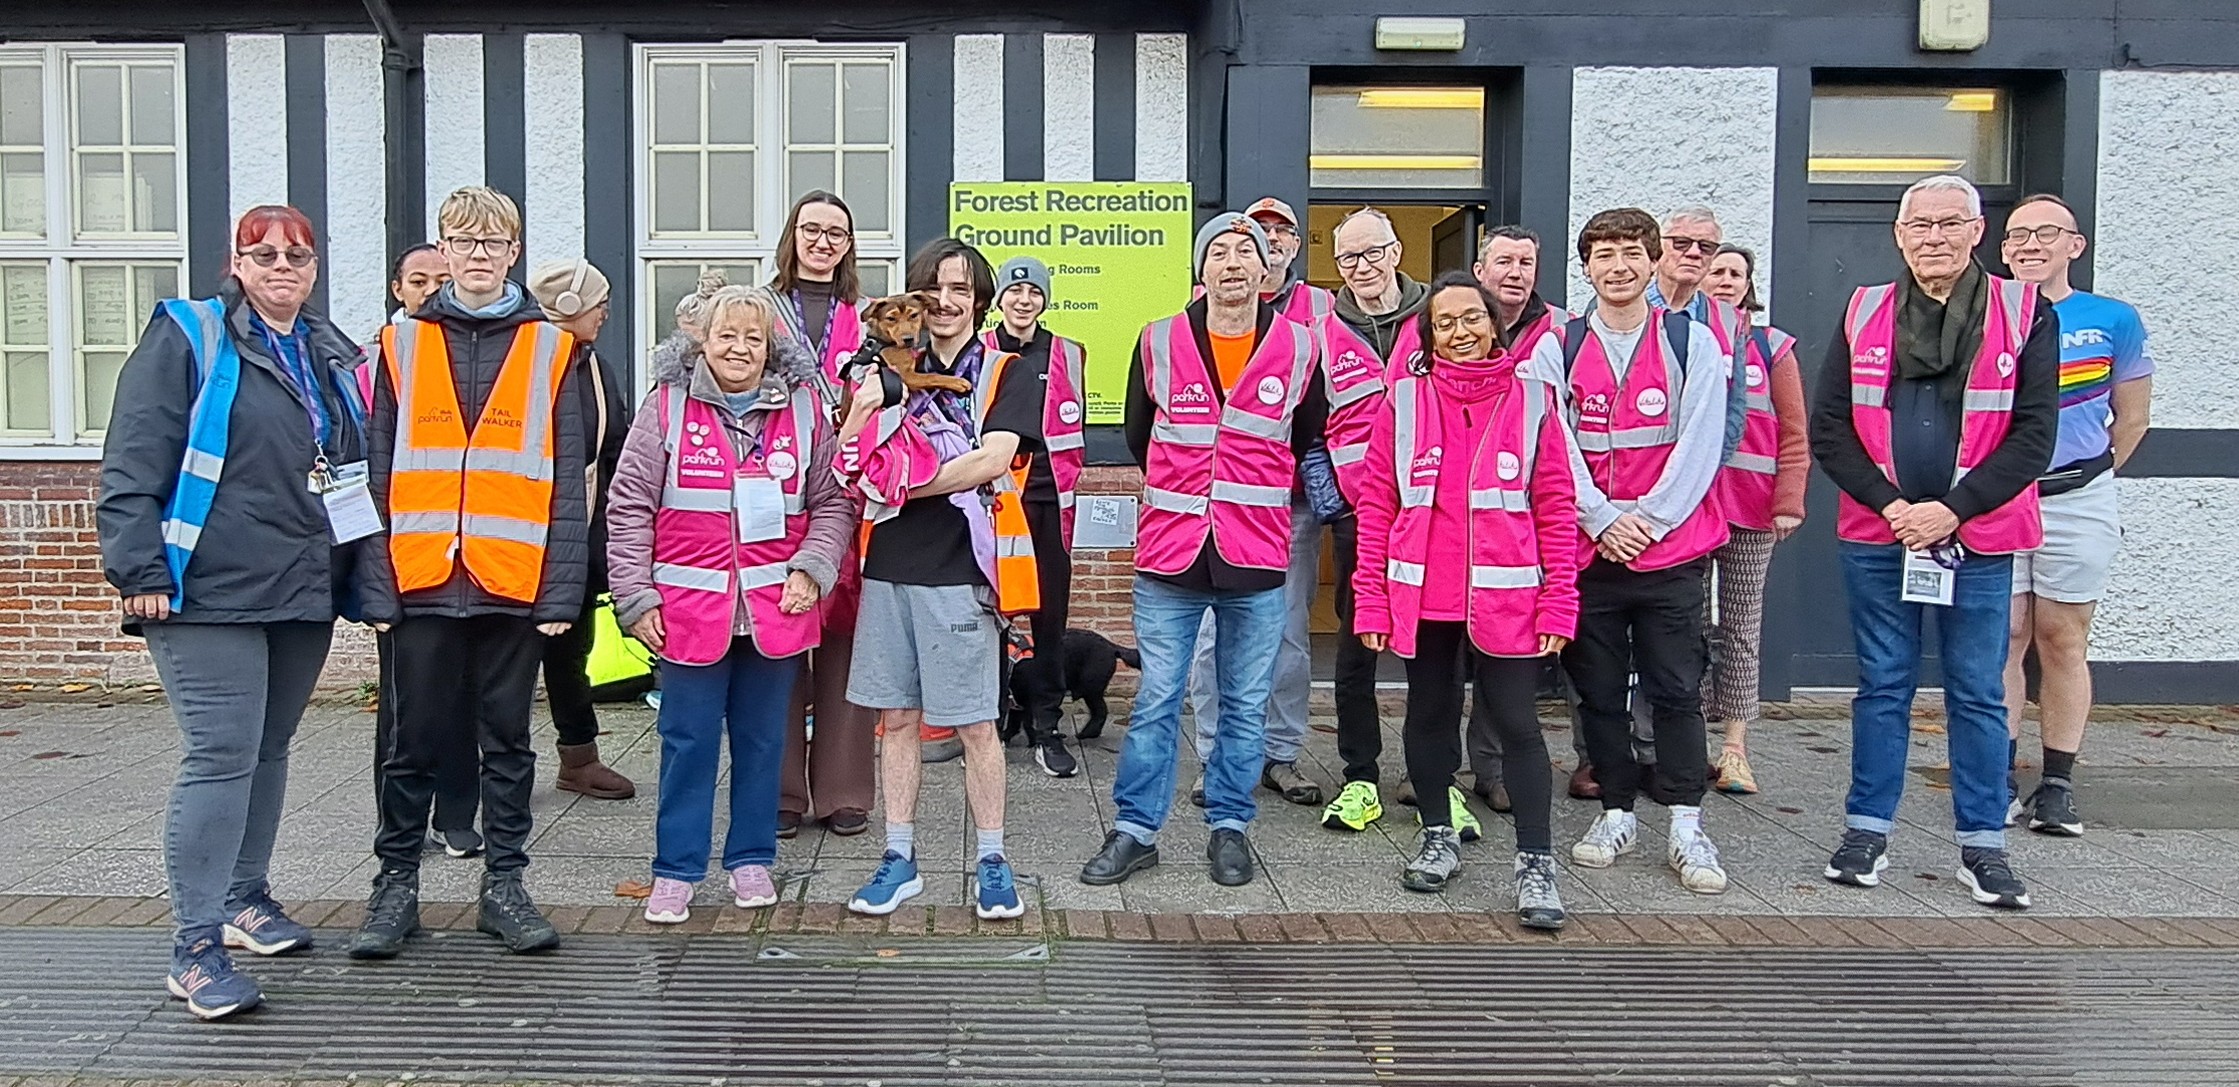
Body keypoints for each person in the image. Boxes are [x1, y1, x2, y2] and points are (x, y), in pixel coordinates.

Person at [97, 205, 368, 1019]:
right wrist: (138, 566)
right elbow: (133, 455)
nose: (282, 266)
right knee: (220, 753)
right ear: (237, 263)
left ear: (314, 268)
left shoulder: (325, 349)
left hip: (300, 584)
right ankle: (194, 946)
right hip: (206, 588)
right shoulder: (189, 335)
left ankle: (245, 898)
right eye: (265, 253)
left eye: (297, 255)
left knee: (269, 748)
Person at [350, 186, 591, 959]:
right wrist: (373, 579)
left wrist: (561, 589)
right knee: (410, 742)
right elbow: (374, 472)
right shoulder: (399, 344)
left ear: (513, 252)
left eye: (493, 242)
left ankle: (505, 886)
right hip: (419, 577)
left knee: (509, 742)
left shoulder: (552, 348)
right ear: (443, 250)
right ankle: (394, 887)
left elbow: (568, 481)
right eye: (464, 241)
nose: (479, 254)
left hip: (511, 579)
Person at [1809, 174, 2057, 910]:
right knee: (1882, 685)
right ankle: (1865, 832)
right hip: (1880, 533)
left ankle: (1983, 846)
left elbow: (2034, 436)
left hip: (1976, 537)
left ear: (1977, 232)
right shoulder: (1864, 310)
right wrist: (1894, 506)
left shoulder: (2025, 312)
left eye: (1950, 223)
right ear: (1899, 234)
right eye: (1920, 225)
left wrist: (1951, 510)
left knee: (1977, 691)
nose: (1934, 238)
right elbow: (1830, 428)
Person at [1079, 212, 1318, 889]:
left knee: (1244, 702)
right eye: (1219, 251)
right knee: (1156, 699)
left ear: (1266, 269)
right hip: (1171, 555)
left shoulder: (1300, 346)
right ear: (1200, 268)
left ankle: (1229, 826)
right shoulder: (1158, 339)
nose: (1233, 262)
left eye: (1247, 251)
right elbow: (1138, 432)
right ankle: (1135, 830)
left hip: (1256, 555)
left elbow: (1305, 434)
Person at [606, 285, 852, 924]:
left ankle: (751, 859)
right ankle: (675, 871)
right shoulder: (665, 405)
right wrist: (635, 597)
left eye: (753, 337)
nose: (739, 348)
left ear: (771, 346)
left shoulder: (805, 407)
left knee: (764, 742)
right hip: (687, 613)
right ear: (701, 342)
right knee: (686, 743)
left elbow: (831, 503)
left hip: (777, 609)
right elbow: (629, 506)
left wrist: (813, 569)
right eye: (726, 335)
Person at [1351, 272, 1576, 927]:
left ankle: (1535, 864)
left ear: (1494, 324)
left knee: (1519, 727)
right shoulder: (1403, 401)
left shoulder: (1533, 400)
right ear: (1427, 337)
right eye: (1444, 322)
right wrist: (1370, 600)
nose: (1460, 332)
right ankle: (1437, 836)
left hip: (1508, 600)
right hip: (1423, 595)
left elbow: (1556, 506)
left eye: (1471, 318)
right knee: (1427, 718)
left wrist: (1559, 601)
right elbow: (1376, 504)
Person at [833, 237, 1042, 921]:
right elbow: (847, 448)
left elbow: (992, 461)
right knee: (895, 718)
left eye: (961, 290)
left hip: (962, 567)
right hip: (889, 560)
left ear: (979, 303)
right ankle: (899, 856)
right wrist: (862, 425)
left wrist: (897, 486)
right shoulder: (885, 365)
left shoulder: (1007, 370)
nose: (946, 303)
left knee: (976, 724)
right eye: (934, 291)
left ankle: (992, 860)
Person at [1531, 208, 1733, 896]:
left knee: (1676, 690)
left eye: (1630, 253)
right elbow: (1552, 441)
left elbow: (1701, 441)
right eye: (1604, 254)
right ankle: (1615, 811)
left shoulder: (1691, 342)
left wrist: (1647, 520)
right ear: (1585, 267)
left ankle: (1685, 821)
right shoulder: (1556, 347)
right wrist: (1599, 518)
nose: (1617, 266)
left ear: (1652, 262)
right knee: (1597, 692)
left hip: (1668, 550)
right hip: (1589, 551)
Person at [1185, 195, 1381, 813]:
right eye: (1255, 232)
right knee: (1213, 634)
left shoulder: (1322, 310)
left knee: (1287, 632)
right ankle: (1215, 754)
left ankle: (1279, 753)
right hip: (1213, 506)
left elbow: (1329, 403)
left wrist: (1297, 468)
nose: (1268, 241)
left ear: (1294, 245)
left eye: (1280, 232)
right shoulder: (1201, 309)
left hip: (1286, 507)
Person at [1998, 194, 2152, 838]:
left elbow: (2133, 418)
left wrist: (2088, 473)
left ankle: (2057, 783)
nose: (2030, 245)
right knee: (2003, 636)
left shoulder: (2112, 318)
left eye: (2045, 233)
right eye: (2017, 235)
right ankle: (1997, 777)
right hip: (1998, 497)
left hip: (2077, 497)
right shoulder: (1986, 311)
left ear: (2074, 245)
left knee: (2062, 637)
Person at [1315, 206, 1432, 836]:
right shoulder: (1322, 331)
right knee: (1358, 642)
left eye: (1372, 252)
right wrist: (1332, 494)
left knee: (1431, 645)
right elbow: (1309, 424)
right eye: (1348, 258)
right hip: (1359, 513)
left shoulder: (1437, 318)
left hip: (1432, 513)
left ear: (1395, 252)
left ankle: (1428, 769)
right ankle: (1359, 772)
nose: (1361, 267)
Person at [768, 191, 881, 833]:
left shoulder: (866, 317)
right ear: (793, 235)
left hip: (852, 487)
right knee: (778, 638)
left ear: (849, 245)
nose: (822, 242)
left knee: (846, 636)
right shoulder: (760, 309)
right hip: (775, 490)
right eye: (811, 229)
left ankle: (843, 791)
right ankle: (780, 791)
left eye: (836, 233)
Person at [1470, 224, 1591, 809]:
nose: (1515, 272)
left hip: (1543, 505)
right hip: (1473, 518)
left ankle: (1582, 761)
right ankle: (1483, 769)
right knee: (1472, 648)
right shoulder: (1455, 324)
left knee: (1532, 646)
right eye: (1504, 261)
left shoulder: (1564, 332)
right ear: (1480, 271)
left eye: (1525, 262)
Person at [1699, 244, 1809, 795]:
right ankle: (1690, 739)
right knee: (1689, 628)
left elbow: (1793, 429)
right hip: (1693, 509)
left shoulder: (1771, 347)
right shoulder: (1684, 338)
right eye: (1715, 271)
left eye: (1735, 273)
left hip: (1752, 507)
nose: (1724, 279)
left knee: (1741, 626)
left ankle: (1736, 748)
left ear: (1749, 285)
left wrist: (1789, 499)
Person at [527, 259, 637, 800]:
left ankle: (579, 758)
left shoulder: (594, 366)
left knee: (573, 648)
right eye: (598, 303)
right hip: (524, 534)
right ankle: (499, 766)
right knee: (511, 660)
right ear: (567, 308)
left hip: (583, 530)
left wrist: (608, 532)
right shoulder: (523, 363)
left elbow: (614, 445)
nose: (606, 312)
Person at [980, 255, 1089, 777]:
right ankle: (989, 721)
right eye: (1015, 291)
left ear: (1045, 299)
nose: (1024, 300)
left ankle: (1047, 725)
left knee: (1049, 619)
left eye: (1034, 292)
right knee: (986, 615)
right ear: (1000, 298)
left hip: (1047, 502)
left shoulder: (1069, 353)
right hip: (990, 503)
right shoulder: (980, 350)